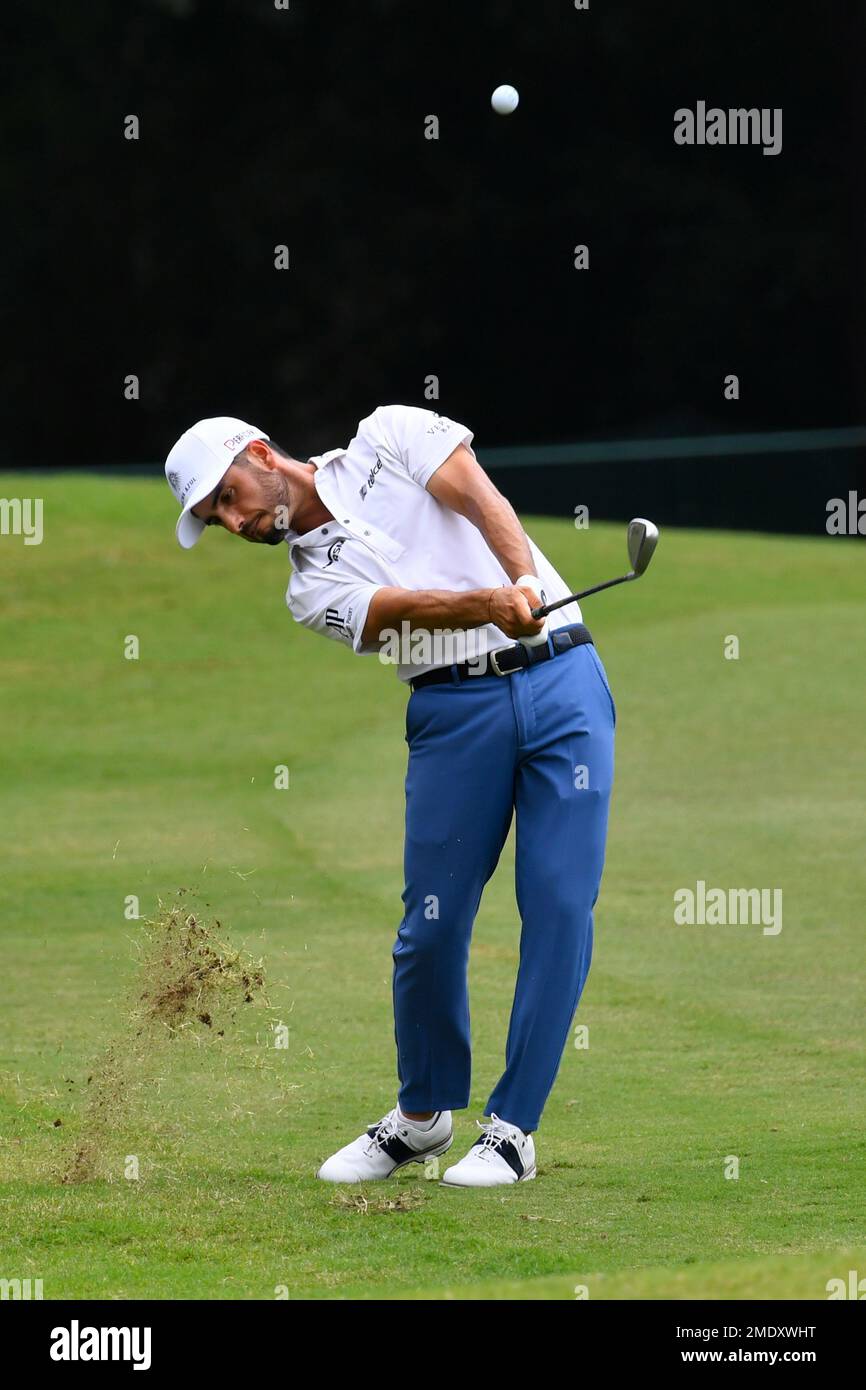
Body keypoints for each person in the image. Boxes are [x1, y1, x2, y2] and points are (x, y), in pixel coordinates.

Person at [165, 405, 615, 1186]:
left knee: (558, 904)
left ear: (262, 454)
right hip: (452, 714)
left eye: (228, 496)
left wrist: (523, 582)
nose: (234, 520)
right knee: (429, 929)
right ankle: (423, 1117)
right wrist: (487, 605)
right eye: (215, 517)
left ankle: (511, 1129)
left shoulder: (390, 435)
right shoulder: (309, 589)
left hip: (563, 679)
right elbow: (393, 616)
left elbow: (483, 500)